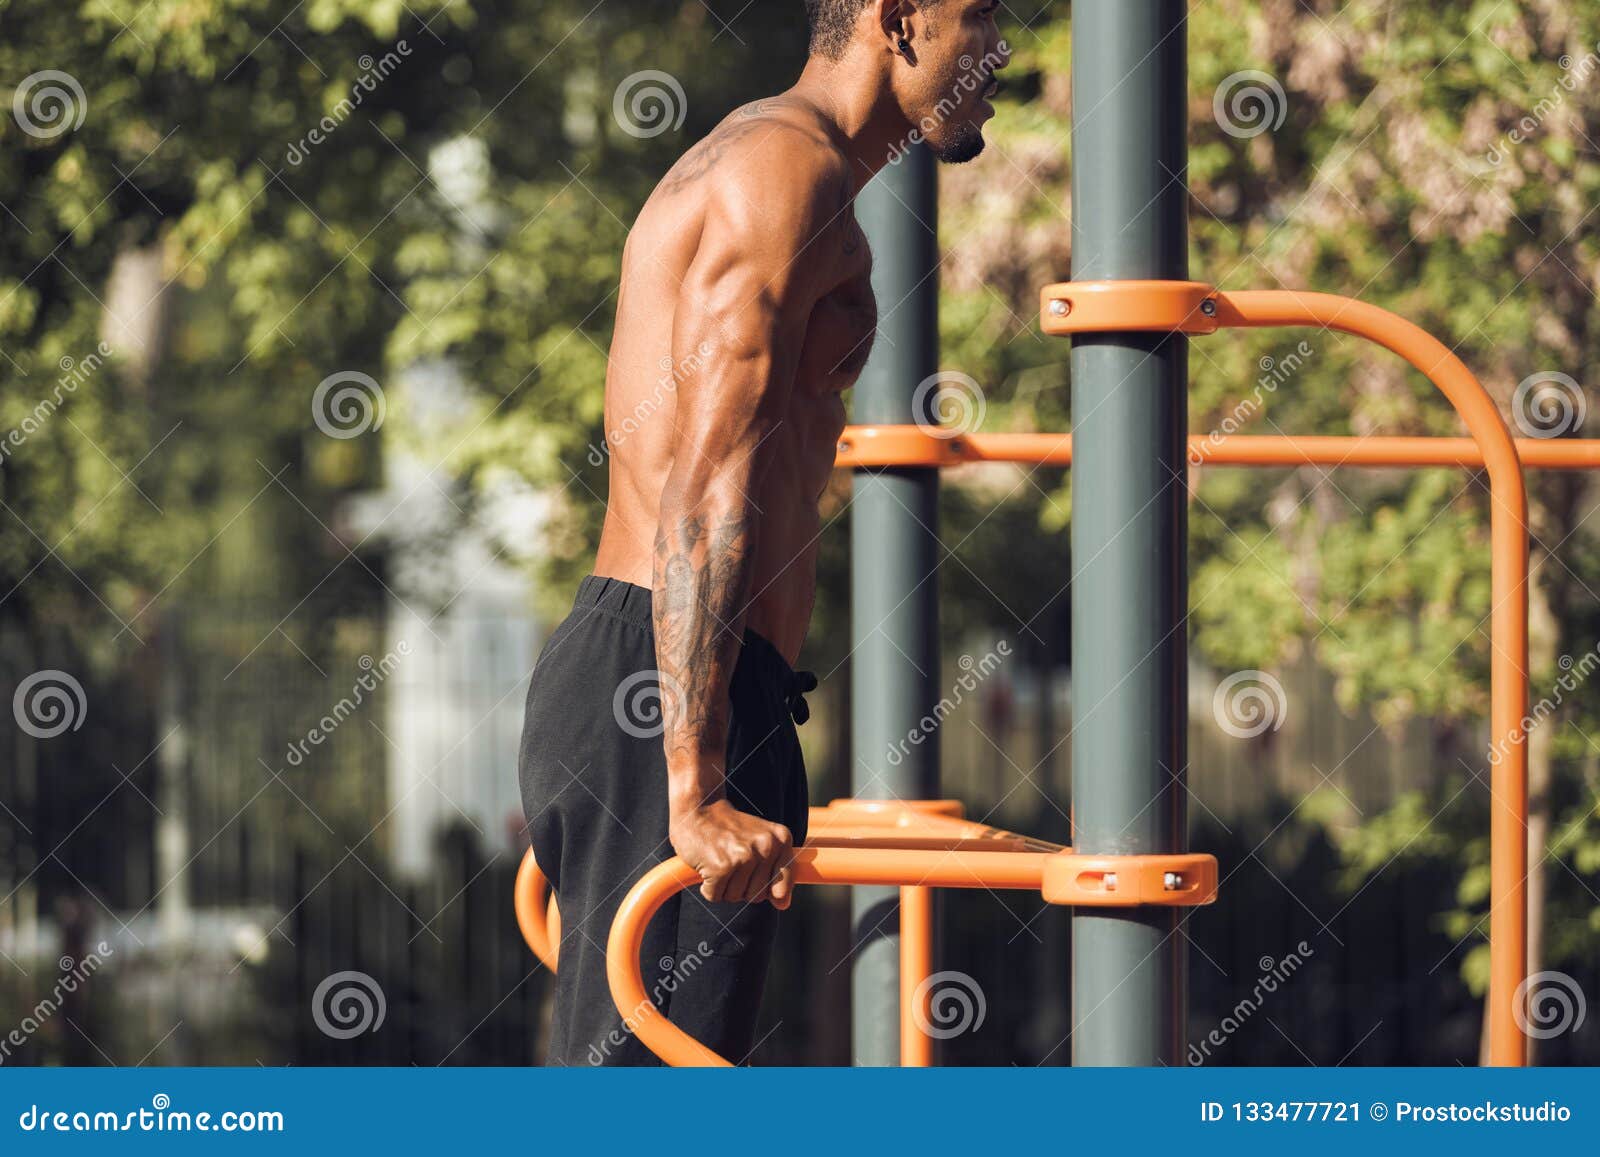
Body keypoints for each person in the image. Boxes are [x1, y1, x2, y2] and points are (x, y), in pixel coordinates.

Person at [519, 0, 1008, 1066]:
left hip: (693, 685)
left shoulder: (799, 171)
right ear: (899, 19)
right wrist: (691, 785)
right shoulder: (783, 173)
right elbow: (711, 472)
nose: (1001, 48)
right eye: (983, 16)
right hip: (661, 692)